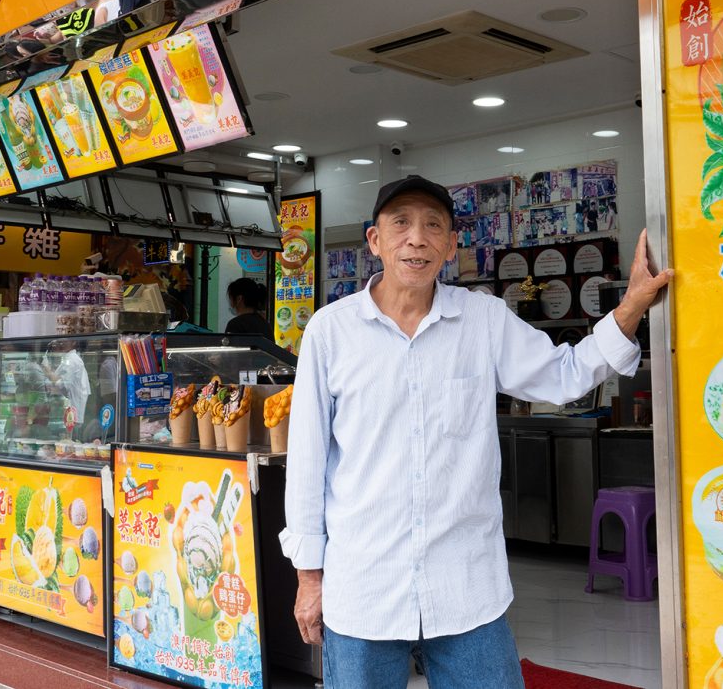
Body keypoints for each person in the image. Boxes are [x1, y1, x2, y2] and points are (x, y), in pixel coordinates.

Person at [279, 176, 672, 688]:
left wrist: (633, 303)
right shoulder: (331, 331)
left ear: (450, 245)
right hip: (364, 586)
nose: (416, 238)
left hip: (465, 588)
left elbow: (564, 374)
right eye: (401, 224)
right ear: (375, 240)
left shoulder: (482, 319)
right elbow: (307, 462)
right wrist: (309, 577)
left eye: (432, 226)